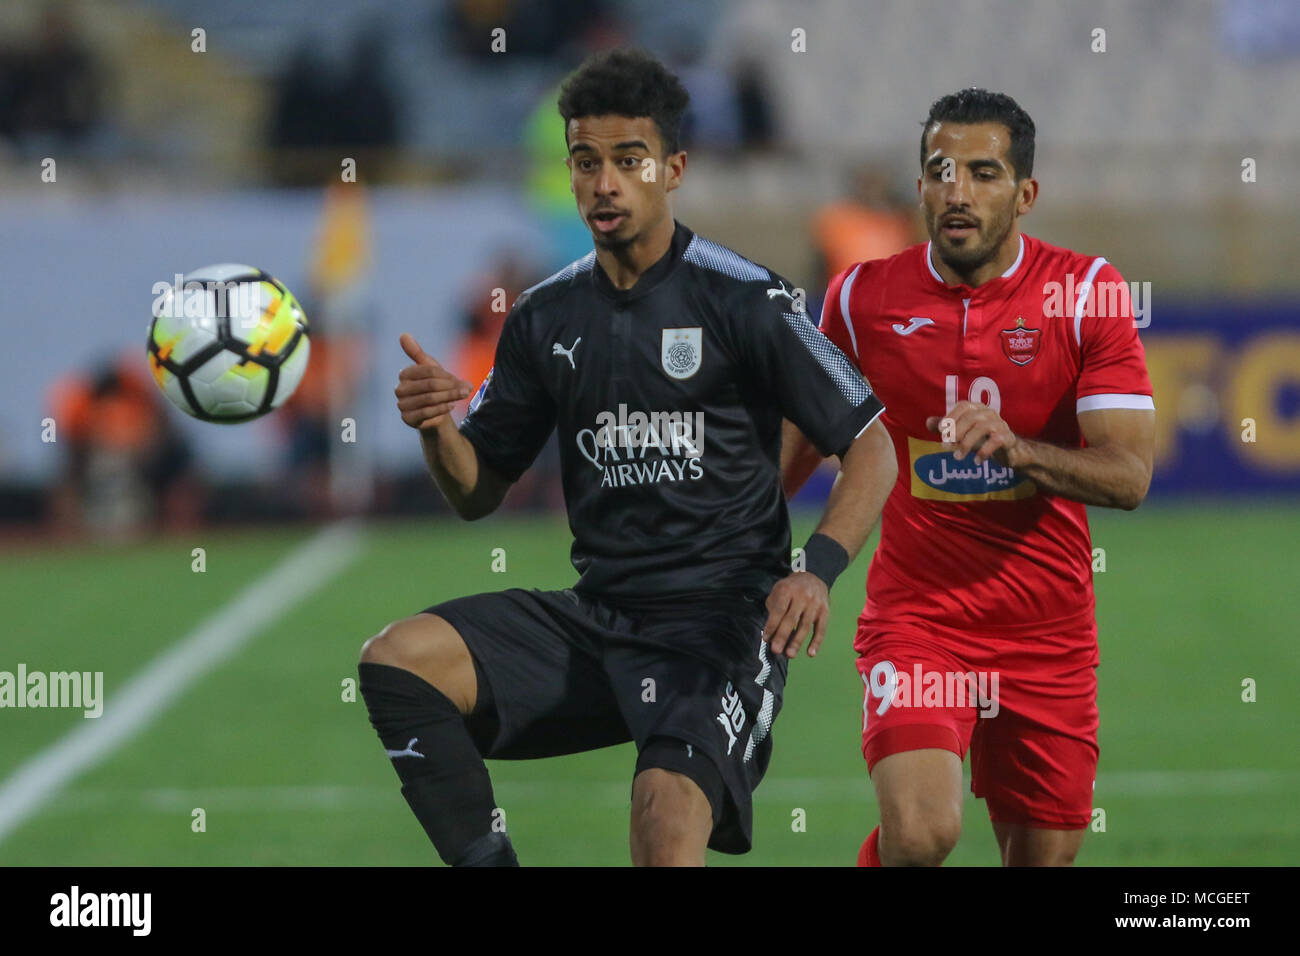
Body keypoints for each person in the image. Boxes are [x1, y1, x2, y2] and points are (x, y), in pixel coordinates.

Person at [357, 49, 896, 866]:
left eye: (626, 160)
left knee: (662, 821)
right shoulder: (544, 316)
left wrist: (815, 569)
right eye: (585, 161)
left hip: (721, 625)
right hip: (602, 618)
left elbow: (872, 443)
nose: (603, 182)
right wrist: (439, 428)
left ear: (672, 168)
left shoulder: (747, 298)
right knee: (398, 662)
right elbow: (477, 492)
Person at [783, 89, 1155, 867]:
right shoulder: (860, 298)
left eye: (983, 173)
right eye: (940, 171)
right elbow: (794, 453)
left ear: (1025, 194)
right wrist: (727, 547)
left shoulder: (1084, 293)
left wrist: (1023, 450)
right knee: (921, 836)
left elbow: (1128, 475)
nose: (957, 191)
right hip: (919, 621)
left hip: (1048, 633)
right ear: (919, 185)